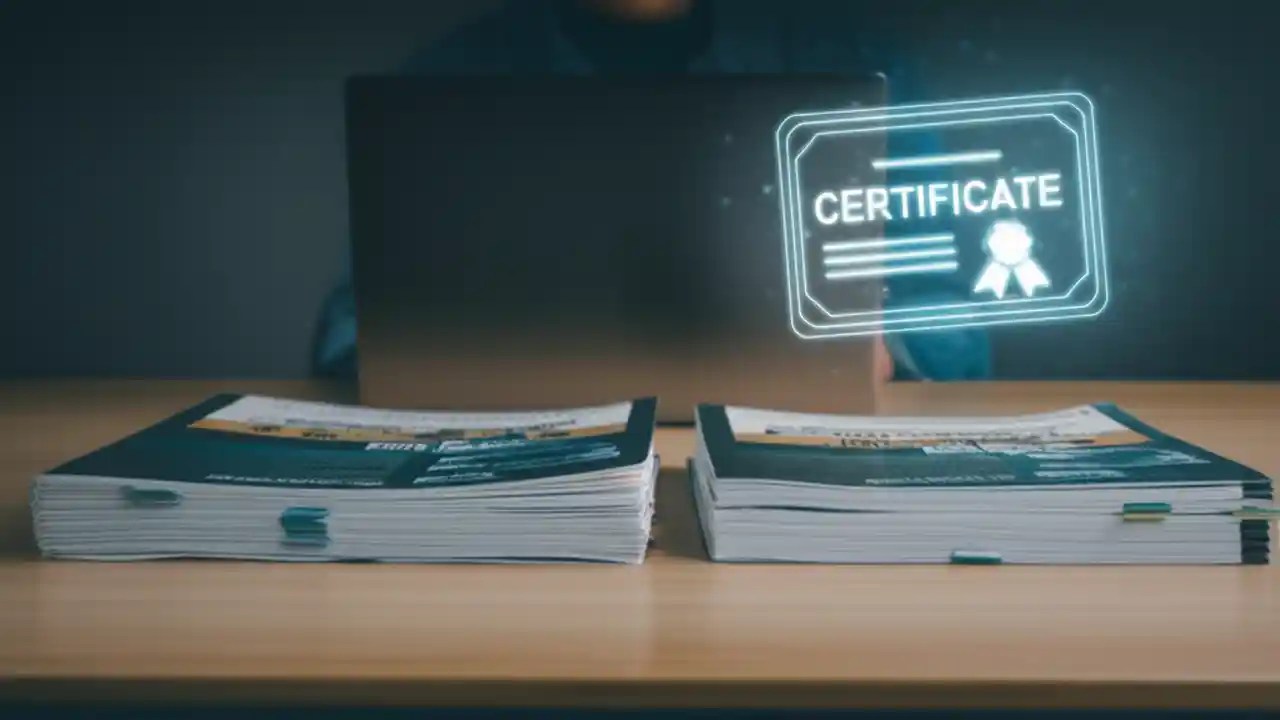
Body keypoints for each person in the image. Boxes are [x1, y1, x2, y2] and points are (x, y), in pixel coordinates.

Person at [314, 0, 991, 381]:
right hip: (522, 463)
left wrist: (885, 353)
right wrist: (409, 357)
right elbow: (353, 325)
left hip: (783, 456)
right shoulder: (448, 78)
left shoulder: (857, 65)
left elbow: (952, 321)